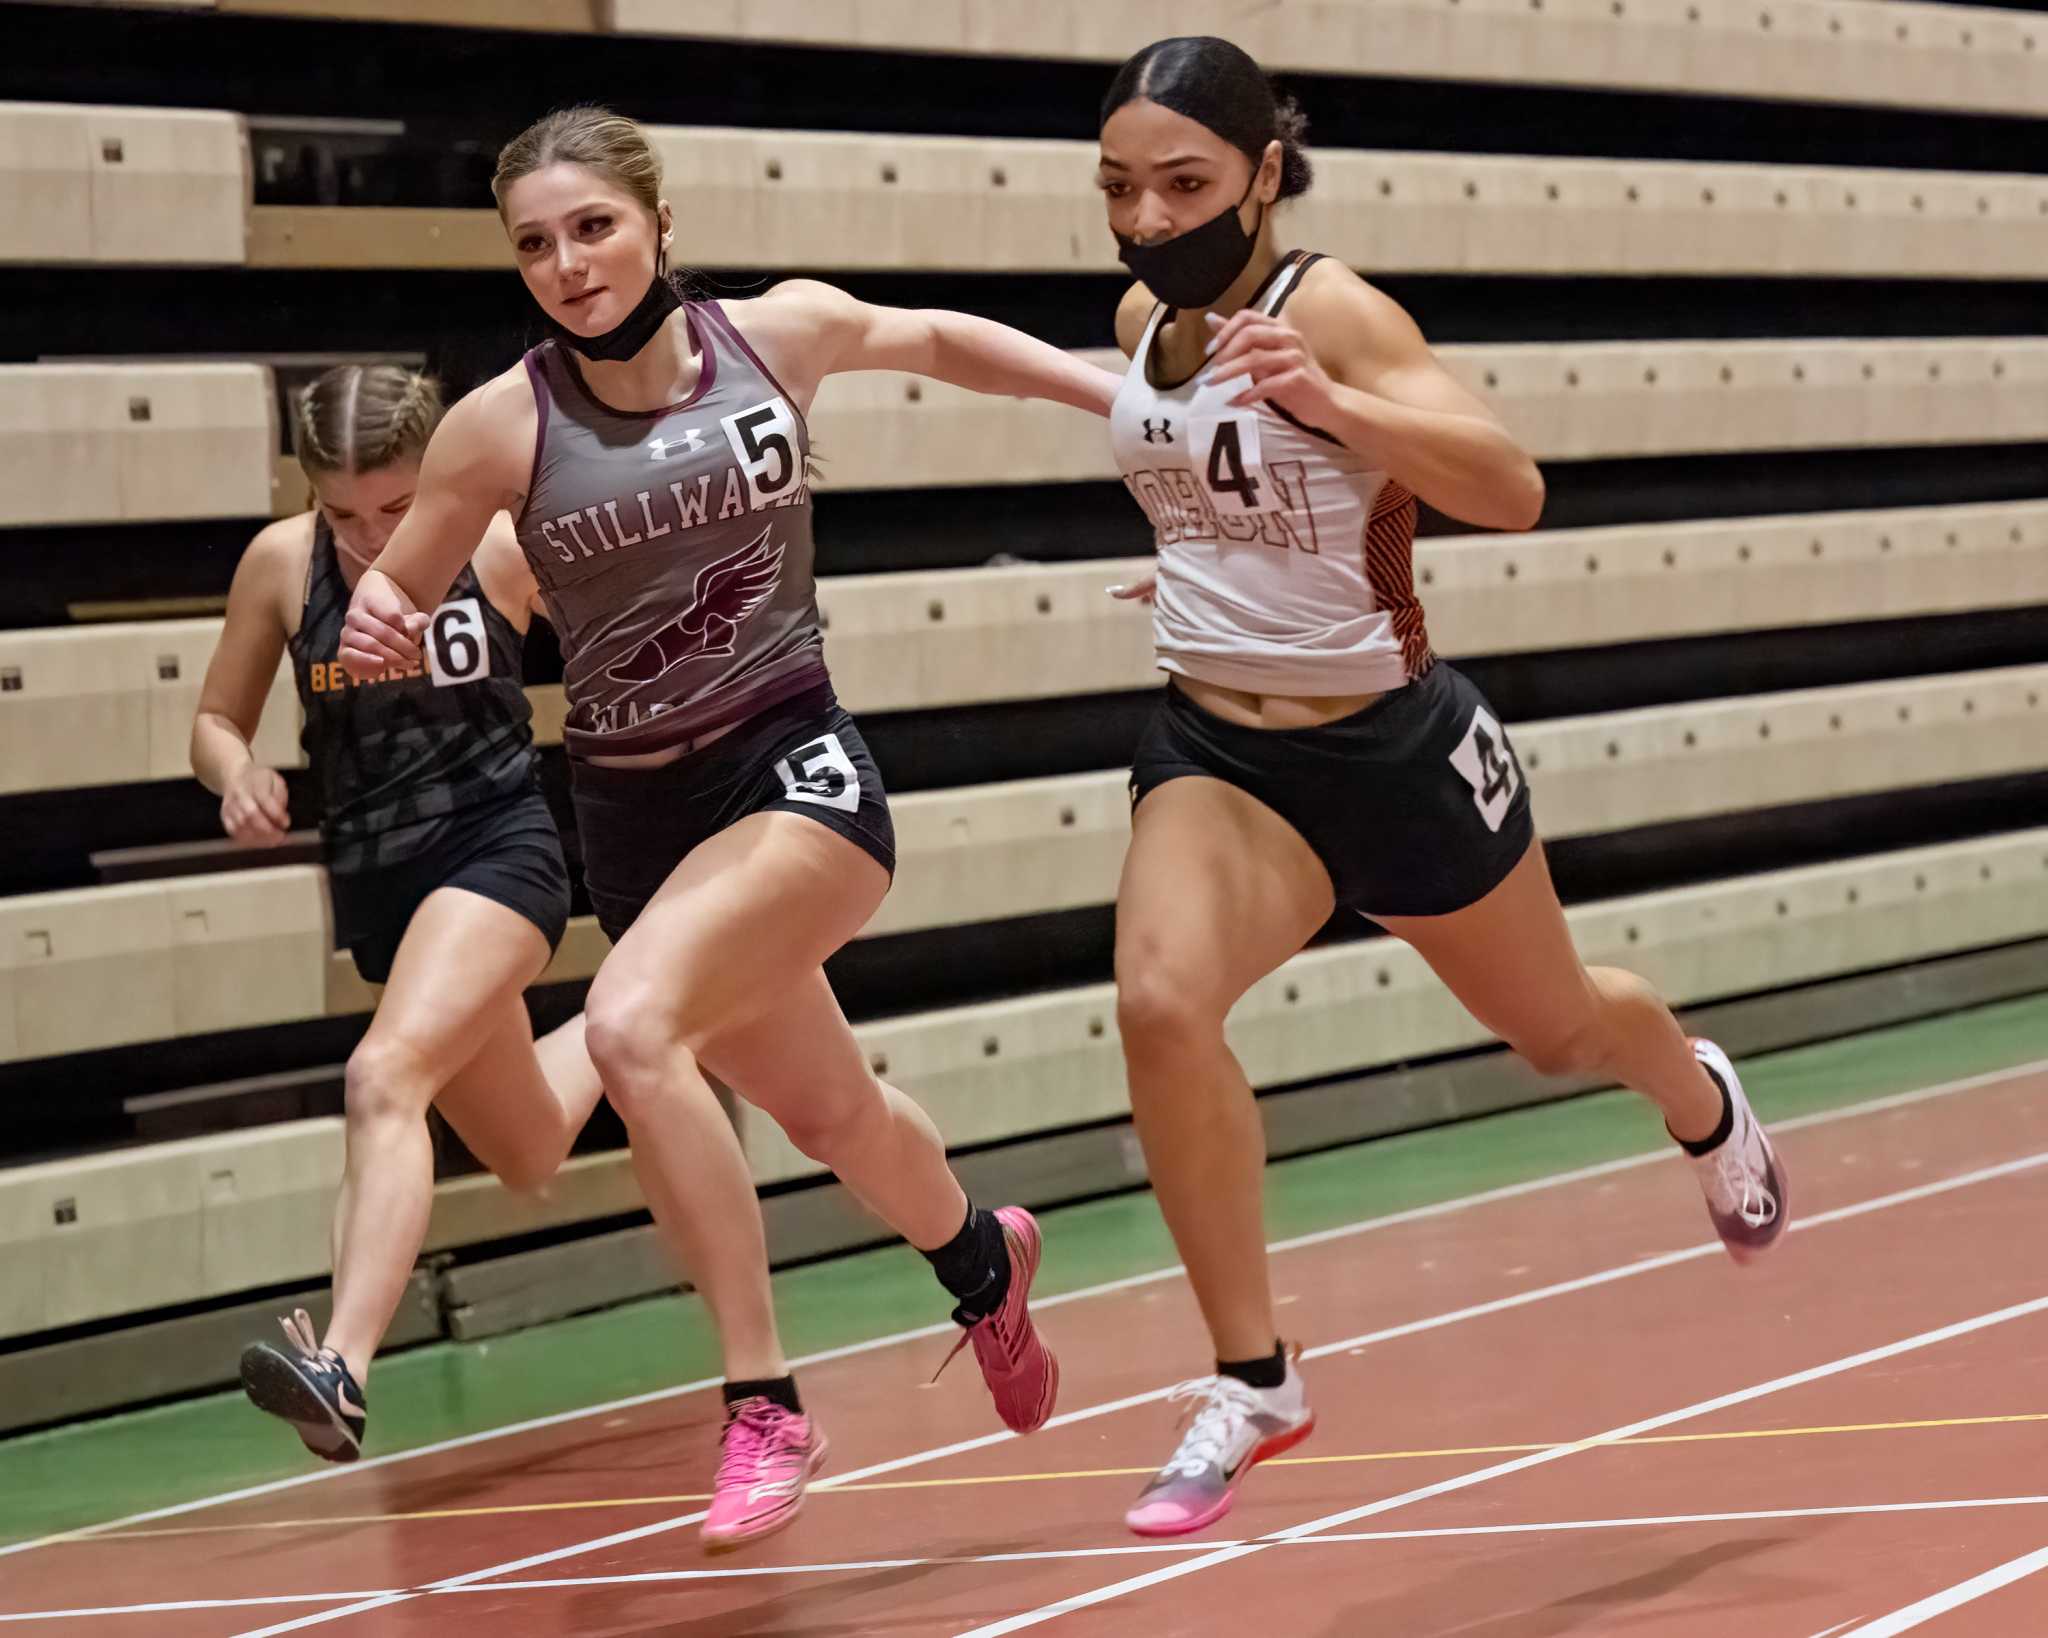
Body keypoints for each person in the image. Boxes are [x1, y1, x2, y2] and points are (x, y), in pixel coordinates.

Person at [335, 106, 1123, 1474]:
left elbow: (940, 341)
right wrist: (378, 620)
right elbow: (400, 584)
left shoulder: (776, 335)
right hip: (635, 816)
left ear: (658, 224)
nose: (569, 264)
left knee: (632, 1032)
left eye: (593, 227)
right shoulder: (497, 424)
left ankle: (764, 1401)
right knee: (834, 1116)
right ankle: (981, 1259)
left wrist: (1122, 400)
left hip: (793, 766)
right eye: (535, 244)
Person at [1093, 36, 1789, 1538]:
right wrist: (1205, 560)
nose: (1148, 217)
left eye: (1184, 184)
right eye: (1120, 187)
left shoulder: (1331, 310)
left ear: (1262, 174)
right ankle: (1253, 1377)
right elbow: (1229, 484)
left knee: (1557, 1031)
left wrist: (1340, 406)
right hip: (1218, 751)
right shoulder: (1142, 318)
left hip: (1390, 750)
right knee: (1157, 1004)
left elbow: (1508, 485)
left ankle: (1696, 1092)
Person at [194, 364, 814, 1550]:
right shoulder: (279, 565)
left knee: (384, 1077)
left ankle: (340, 1368)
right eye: (343, 512)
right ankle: (646, 1027)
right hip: (379, 886)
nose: (371, 537)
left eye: (395, 506)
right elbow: (215, 719)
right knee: (528, 1149)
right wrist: (238, 773)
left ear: (436, 474)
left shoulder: (500, 547)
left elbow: (650, 635)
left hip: (497, 854)